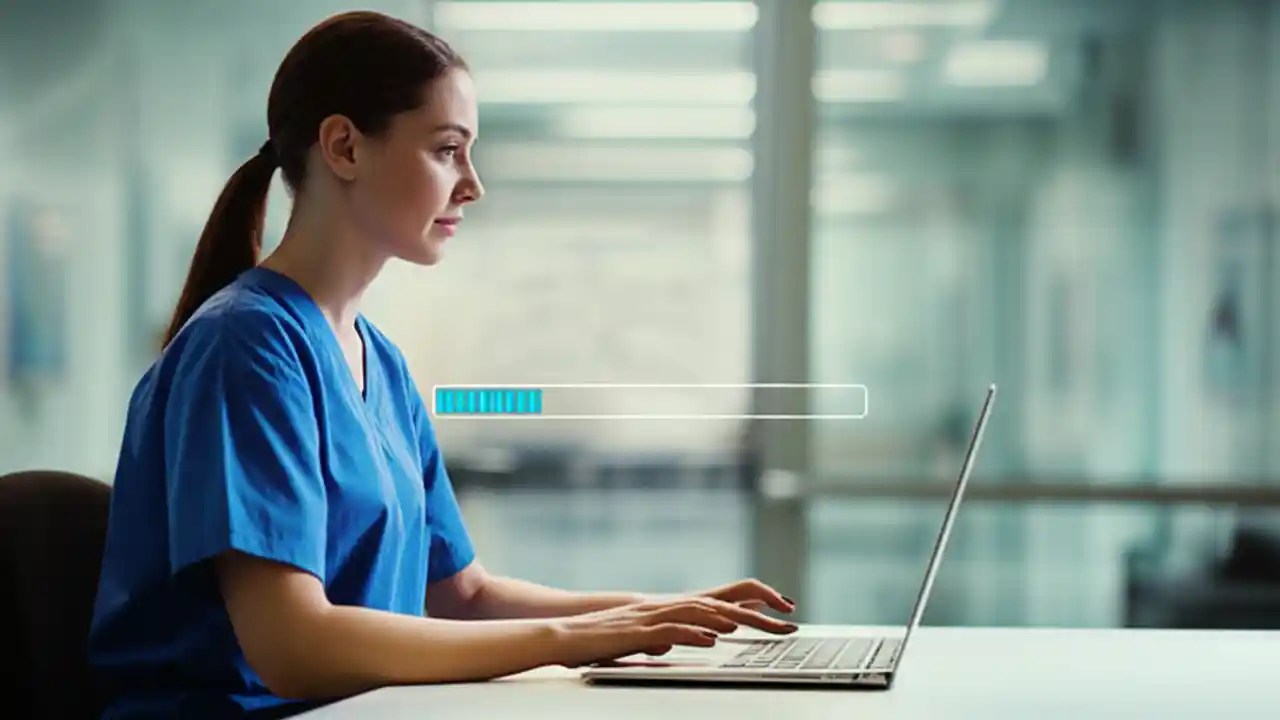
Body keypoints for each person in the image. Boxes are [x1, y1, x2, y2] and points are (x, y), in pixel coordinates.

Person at [88, 10, 797, 719]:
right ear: (344, 147)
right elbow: (291, 644)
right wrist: (568, 638)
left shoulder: (379, 361)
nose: (472, 185)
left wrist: (666, 612)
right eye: (447, 150)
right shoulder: (245, 346)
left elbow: (462, 596)